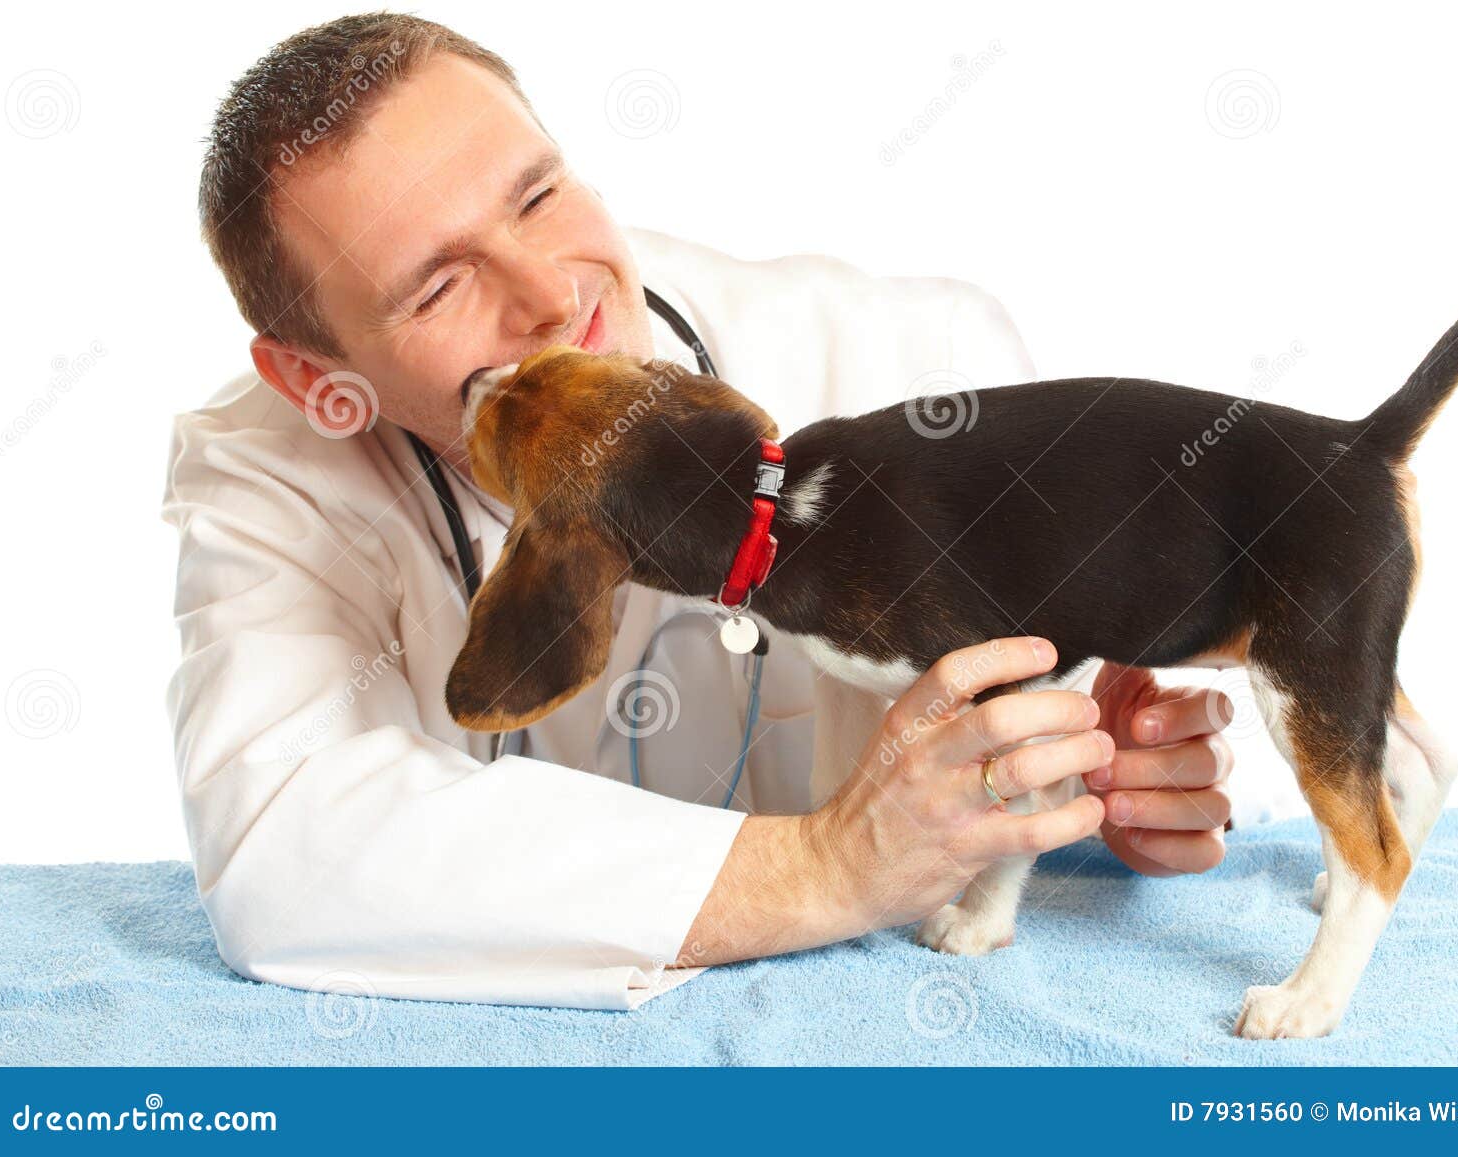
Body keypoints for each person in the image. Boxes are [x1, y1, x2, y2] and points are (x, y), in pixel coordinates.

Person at [162, 12, 1235, 1010]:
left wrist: (1132, 778)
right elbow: (289, 846)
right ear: (313, 377)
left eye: (537, 197)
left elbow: (1117, 706)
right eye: (436, 287)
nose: (547, 295)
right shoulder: (269, 473)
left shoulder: (911, 358)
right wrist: (829, 867)